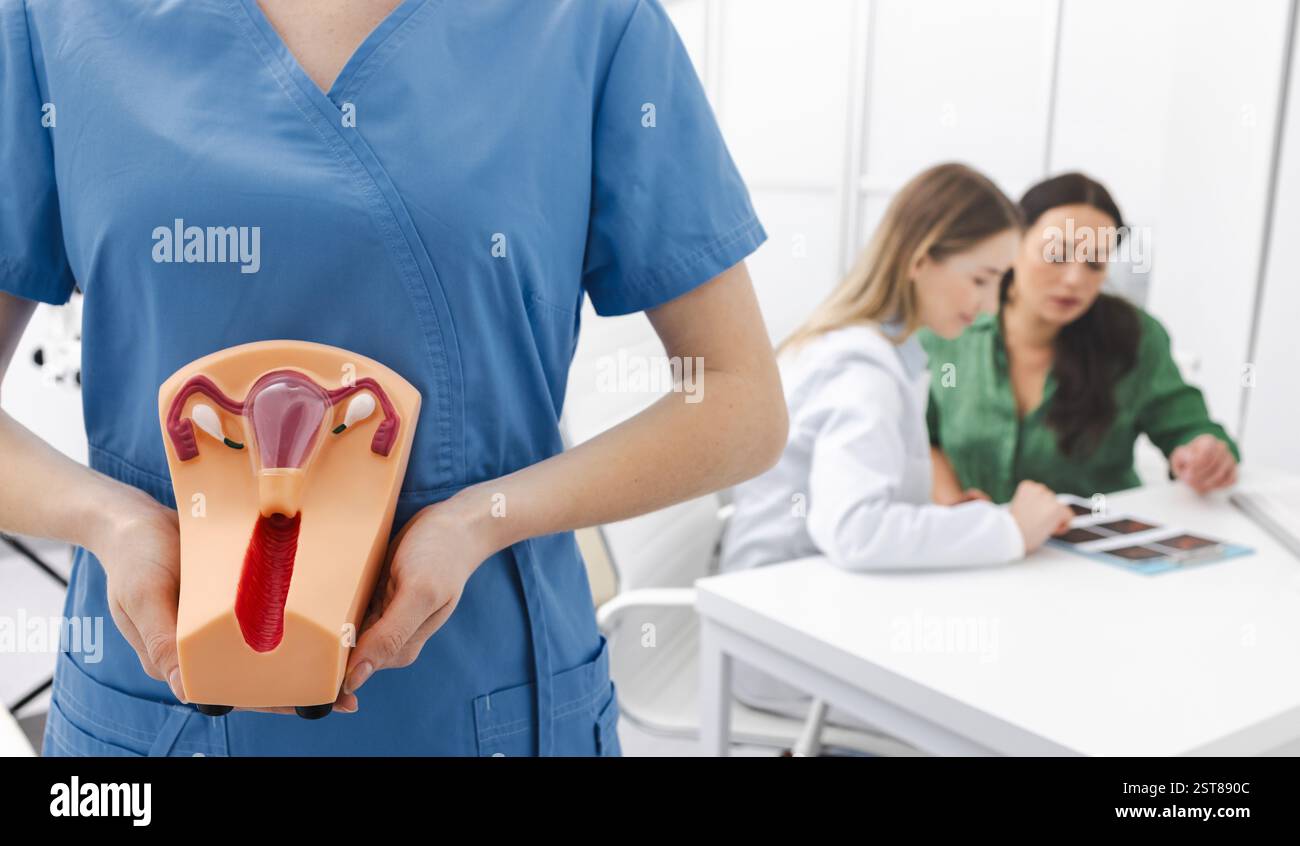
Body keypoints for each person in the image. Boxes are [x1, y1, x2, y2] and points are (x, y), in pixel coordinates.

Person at [0, 0, 787, 756]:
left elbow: (738, 397)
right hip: (158, 707)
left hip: (482, 691)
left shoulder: (588, 23)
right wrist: (112, 522)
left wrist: (486, 518)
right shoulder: (55, 22)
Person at [718, 164, 1072, 721]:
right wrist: (1007, 529)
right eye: (980, 279)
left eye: (1000, 283)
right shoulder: (861, 369)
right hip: (788, 646)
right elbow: (855, 531)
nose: (988, 303)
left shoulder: (885, 350)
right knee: (1015, 690)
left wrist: (954, 518)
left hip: (808, 613)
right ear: (920, 259)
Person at [923, 172, 1239, 506]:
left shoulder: (1136, 336)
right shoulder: (954, 324)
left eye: (1094, 263)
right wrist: (958, 511)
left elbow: (1188, 430)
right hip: (979, 541)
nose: (1075, 279)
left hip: (1093, 545)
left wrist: (1203, 454)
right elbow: (923, 439)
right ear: (1013, 245)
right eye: (1057, 254)